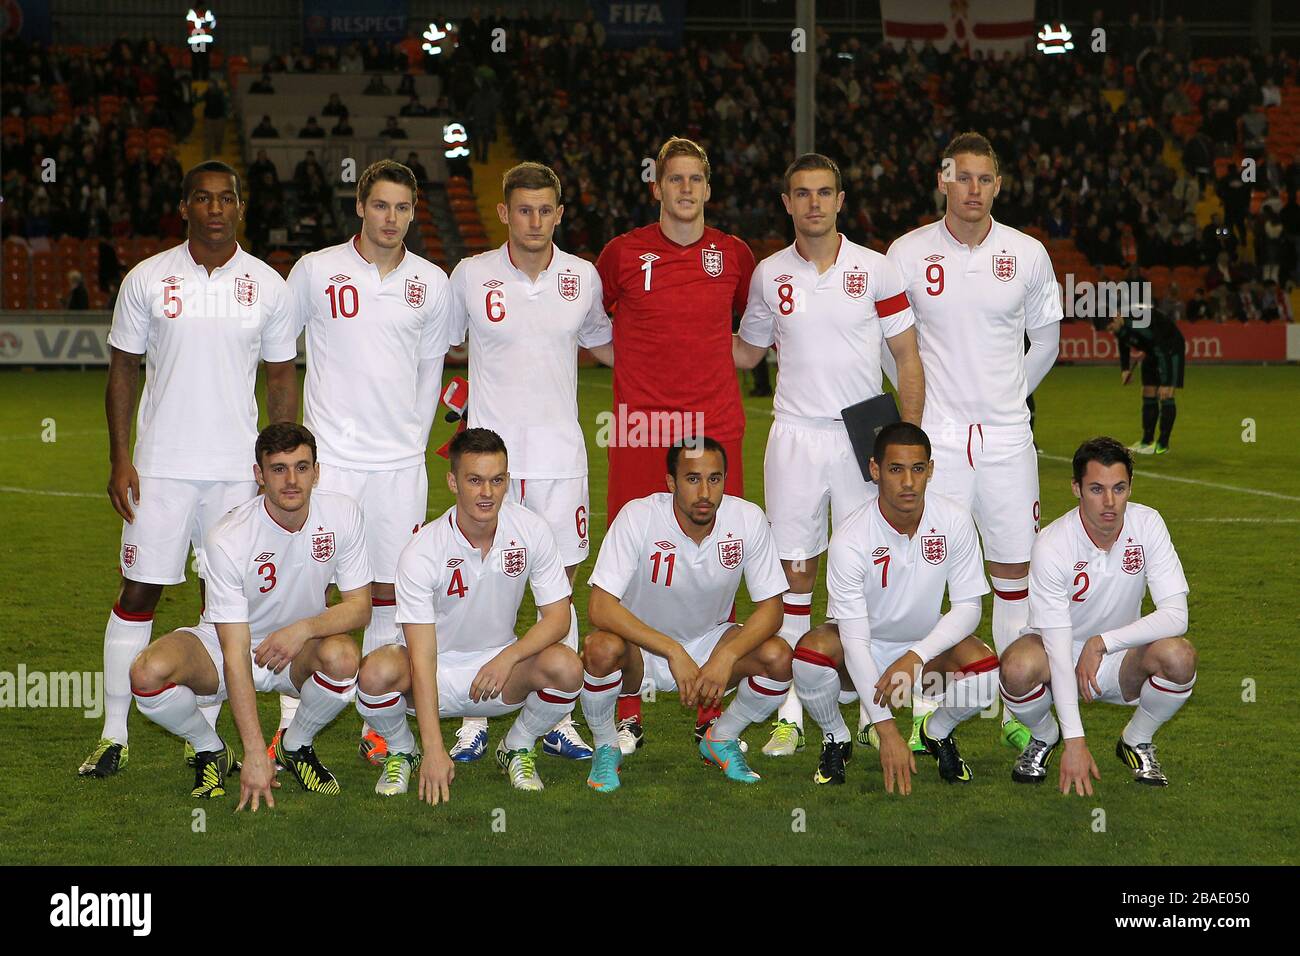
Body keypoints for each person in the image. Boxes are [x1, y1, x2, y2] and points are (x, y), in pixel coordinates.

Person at [79, 161, 299, 778]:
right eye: (202, 199)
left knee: (223, 605)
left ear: (240, 206)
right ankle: (113, 733)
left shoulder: (268, 284)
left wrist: (276, 463)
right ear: (184, 206)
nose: (214, 209)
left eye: (226, 199)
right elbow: (122, 369)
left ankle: (200, 733)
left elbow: (281, 378)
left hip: (236, 472)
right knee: (139, 592)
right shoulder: (148, 279)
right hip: (161, 468)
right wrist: (121, 456)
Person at [733, 153, 925, 757]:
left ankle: (870, 707)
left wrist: (905, 445)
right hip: (793, 434)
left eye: (824, 193)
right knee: (795, 574)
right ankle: (791, 709)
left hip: (861, 437)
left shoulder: (878, 268)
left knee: (863, 577)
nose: (813, 203)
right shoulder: (768, 275)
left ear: (841, 200)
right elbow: (744, 353)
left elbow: (907, 357)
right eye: (801, 194)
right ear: (787, 203)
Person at [885, 131, 1063, 753]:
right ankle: (927, 698)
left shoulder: (1029, 253)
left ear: (998, 185)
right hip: (938, 437)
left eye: (985, 180)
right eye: (963, 178)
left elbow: (1047, 341)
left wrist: (1010, 396)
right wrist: (920, 407)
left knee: (1014, 569)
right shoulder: (905, 254)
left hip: (1009, 437)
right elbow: (893, 347)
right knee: (932, 566)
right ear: (943, 180)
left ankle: (1015, 705)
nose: (974, 190)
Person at [285, 159, 452, 765]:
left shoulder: (432, 283)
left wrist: (414, 434)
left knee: (388, 586)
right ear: (359, 206)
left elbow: (433, 366)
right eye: (380, 205)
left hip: (397, 463)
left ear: (413, 212)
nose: (391, 218)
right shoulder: (315, 270)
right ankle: (290, 715)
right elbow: (281, 347)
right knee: (314, 582)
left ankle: (374, 720)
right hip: (330, 460)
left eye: (402, 208)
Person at [446, 162, 614, 762]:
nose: (535, 221)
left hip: (561, 457)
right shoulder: (470, 276)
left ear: (560, 214)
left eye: (546, 210)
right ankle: (473, 713)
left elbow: (609, 346)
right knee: (483, 582)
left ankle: (555, 714)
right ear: (504, 213)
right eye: (524, 209)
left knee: (557, 586)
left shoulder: (583, 278)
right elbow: (439, 346)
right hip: (492, 461)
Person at [128, 424, 368, 804]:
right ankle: (210, 747)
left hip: (298, 650)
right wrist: (255, 752)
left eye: (302, 467)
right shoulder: (228, 537)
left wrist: (302, 629)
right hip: (228, 644)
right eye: (278, 469)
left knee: (343, 657)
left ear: (317, 472)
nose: (292, 480)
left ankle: (296, 744)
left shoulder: (343, 515)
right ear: (259, 475)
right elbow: (236, 650)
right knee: (146, 674)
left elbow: (360, 607)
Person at [354, 428, 583, 798]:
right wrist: (433, 749)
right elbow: (422, 655)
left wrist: (507, 658)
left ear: (507, 480)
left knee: (568, 667)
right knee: (375, 671)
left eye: (496, 480)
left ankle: (517, 745)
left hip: (498, 673)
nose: (487, 493)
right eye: (474, 480)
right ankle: (403, 750)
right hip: (431, 672)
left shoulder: (531, 530)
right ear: (453, 481)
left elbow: (558, 617)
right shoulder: (423, 550)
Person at [793, 422, 997, 788]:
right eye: (895, 469)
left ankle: (937, 731)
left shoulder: (954, 520)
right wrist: (887, 732)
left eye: (918, 469)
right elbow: (854, 642)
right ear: (875, 470)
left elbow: (969, 607)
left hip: (924, 650)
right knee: (809, 656)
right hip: (863, 648)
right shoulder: (851, 537)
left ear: (930, 471)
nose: (908, 482)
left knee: (987, 673)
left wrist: (916, 656)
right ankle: (836, 737)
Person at [579, 438, 791, 790]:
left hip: (708, 642)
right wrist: (672, 650)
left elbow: (772, 610)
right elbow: (599, 606)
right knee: (600, 648)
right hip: (641, 650)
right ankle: (606, 746)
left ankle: (720, 739)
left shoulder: (747, 519)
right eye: (693, 479)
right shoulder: (638, 516)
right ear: (671, 483)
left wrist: (726, 656)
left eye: (715, 479)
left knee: (778, 656)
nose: (705, 492)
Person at [1000, 437, 1196, 791]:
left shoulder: (1148, 524)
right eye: (1096, 489)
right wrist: (1075, 740)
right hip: (1056, 653)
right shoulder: (1053, 544)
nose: (1109, 502)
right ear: (1076, 488)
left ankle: (1135, 740)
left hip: (1122, 657)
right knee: (1015, 667)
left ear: (1130, 487)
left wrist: (1102, 643)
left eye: (1119, 488)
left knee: (1180, 656)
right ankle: (1045, 736)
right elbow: (1058, 650)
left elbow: (1176, 615)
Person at [595, 136, 755, 524]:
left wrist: (723, 349)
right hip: (642, 426)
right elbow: (586, 324)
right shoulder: (622, 253)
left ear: (708, 188)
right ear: (657, 188)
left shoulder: (734, 253)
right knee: (634, 545)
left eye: (695, 180)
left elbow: (758, 330)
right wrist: (631, 357)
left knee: (719, 545)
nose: (686, 189)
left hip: (714, 422)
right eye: (675, 180)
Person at [1102, 307, 1185, 455]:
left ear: (1116, 317)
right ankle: (1147, 441)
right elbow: (1123, 342)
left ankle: (1162, 445)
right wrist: (1125, 369)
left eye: (1110, 327)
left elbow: (1160, 347)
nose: (1111, 332)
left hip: (1170, 349)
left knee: (1166, 393)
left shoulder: (1138, 322)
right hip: (1153, 351)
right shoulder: (1122, 325)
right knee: (1147, 392)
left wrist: (1166, 381)